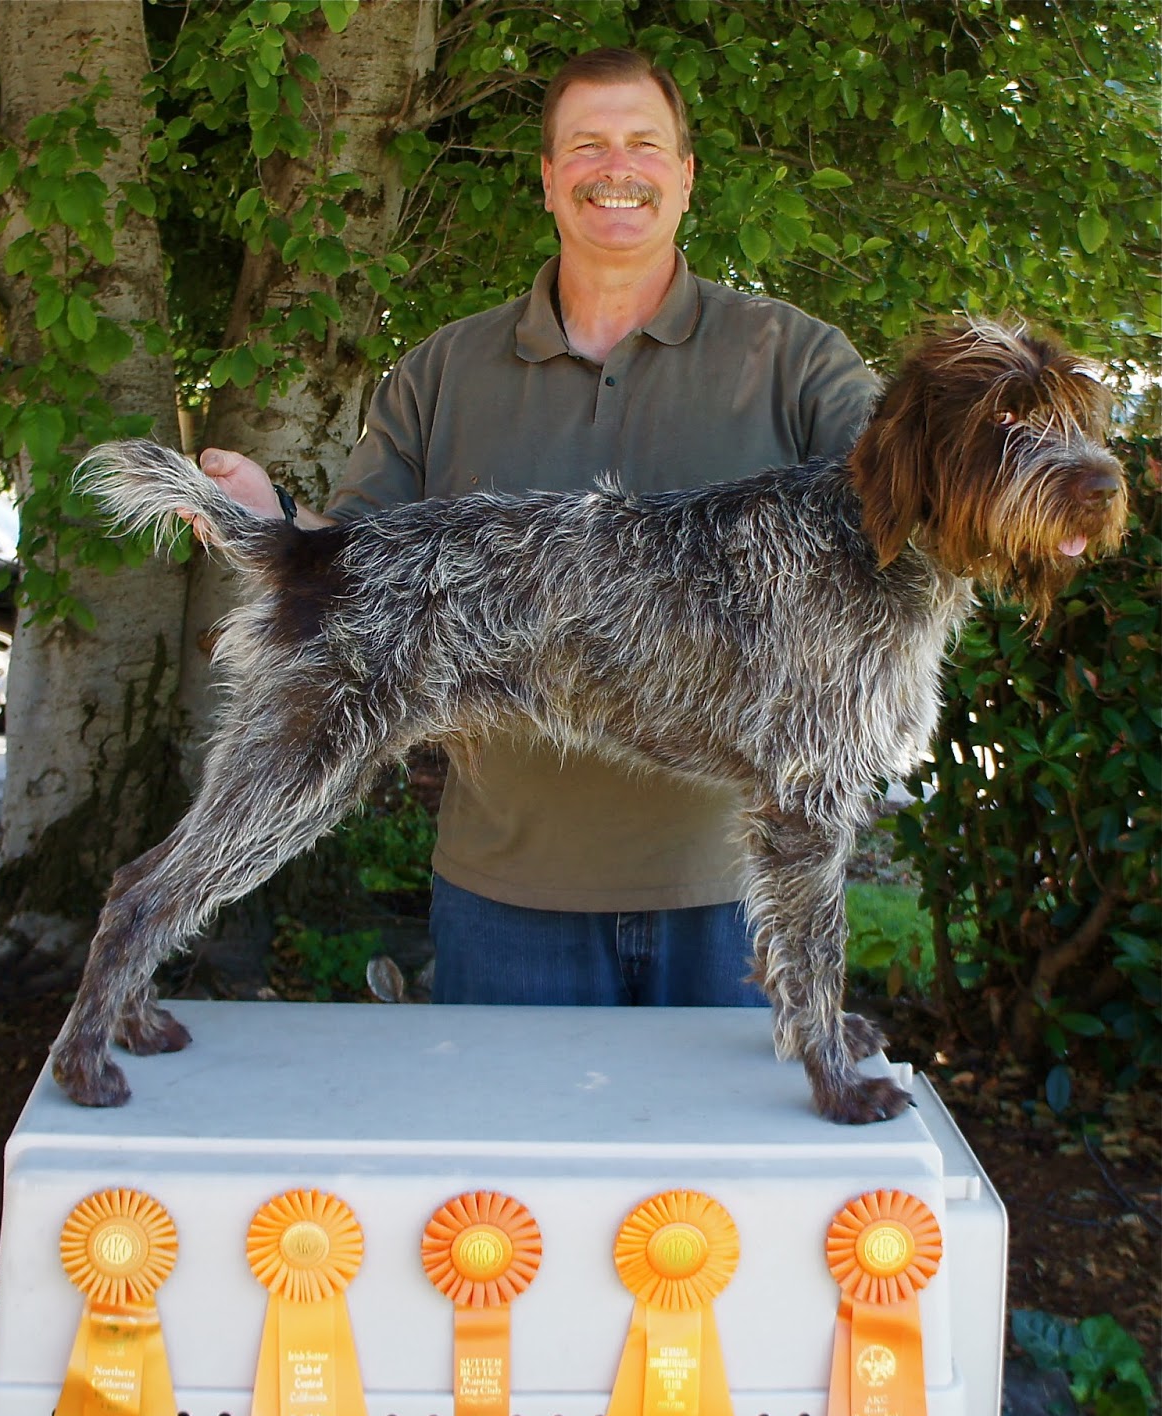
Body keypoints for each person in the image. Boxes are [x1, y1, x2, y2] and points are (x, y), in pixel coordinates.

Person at [193, 48, 878, 1009]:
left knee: (729, 1118)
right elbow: (358, 570)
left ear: (685, 176)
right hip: (503, 895)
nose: (617, 167)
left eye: (644, 143)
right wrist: (270, 522)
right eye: (587, 145)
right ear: (549, 179)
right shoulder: (443, 371)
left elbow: (906, 521)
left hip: (737, 891)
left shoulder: (796, 359)